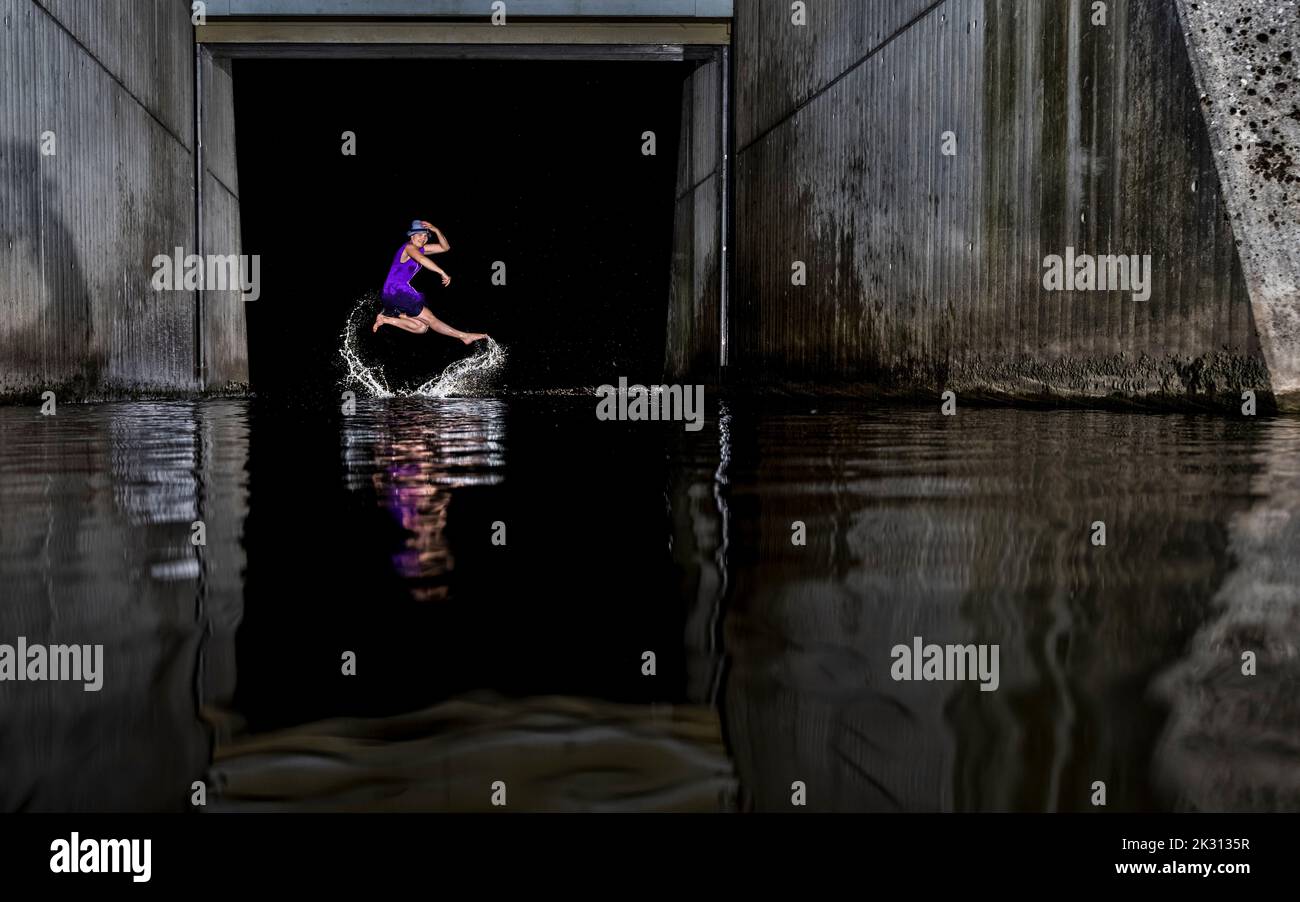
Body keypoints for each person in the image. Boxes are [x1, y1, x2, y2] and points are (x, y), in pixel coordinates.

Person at [372, 220, 489, 344]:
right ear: (412, 236)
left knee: (421, 328)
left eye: (426, 235)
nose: (423, 238)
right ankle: (464, 336)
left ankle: (385, 319)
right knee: (431, 319)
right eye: (420, 235)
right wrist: (441, 272)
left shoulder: (421, 248)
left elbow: (445, 247)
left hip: (391, 292)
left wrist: (436, 230)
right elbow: (421, 259)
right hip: (396, 291)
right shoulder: (409, 247)